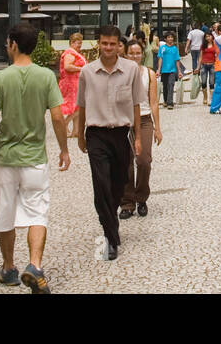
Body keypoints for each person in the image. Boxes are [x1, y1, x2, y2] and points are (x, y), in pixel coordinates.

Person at [0, 22, 69, 293]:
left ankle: (8, 267)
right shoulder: (46, 77)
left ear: (14, 45)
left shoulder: (1, 78)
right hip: (35, 157)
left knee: (5, 211)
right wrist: (64, 149)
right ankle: (35, 265)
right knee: (37, 210)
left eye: (7, 42)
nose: (6, 46)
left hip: (6, 158)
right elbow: (57, 117)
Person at [75, 25, 142, 261]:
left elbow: (135, 104)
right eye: (104, 43)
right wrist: (79, 134)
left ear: (119, 45)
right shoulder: (87, 72)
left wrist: (139, 138)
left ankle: (110, 218)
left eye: (113, 44)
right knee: (101, 185)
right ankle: (110, 237)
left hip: (121, 134)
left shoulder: (131, 70)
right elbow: (81, 105)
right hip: (96, 134)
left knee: (118, 183)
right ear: (98, 44)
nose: (108, 48)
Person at [119, 37, 163, 219]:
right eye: (131, 53)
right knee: (125, 164)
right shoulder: (119, 73)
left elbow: (153, 102)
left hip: (144, 120)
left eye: (138, 53)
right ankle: (127, 202)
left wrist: (157, 128)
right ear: (125, 54)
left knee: (143, 161)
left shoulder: (148, 74)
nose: (134, 56)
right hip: (123, 121)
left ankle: (141, 196)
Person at [58, 33, 87, 138]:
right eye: (78, 43)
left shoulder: (73, 52)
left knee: (77, 106)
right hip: (71, 83)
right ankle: (65, 123)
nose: (80, 45)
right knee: (78, 106)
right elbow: (67, 66)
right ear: (72, 43)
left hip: (75, 82)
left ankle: (75, 131)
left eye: (81, 42)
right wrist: (81, 69)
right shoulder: (69, 53)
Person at [156, 32, 181, 109]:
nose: (170, 39)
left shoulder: (175, 49)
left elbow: (177, 60)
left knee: (171, 85)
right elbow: (160, 59)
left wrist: (179, 71)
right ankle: (166, 101)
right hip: (164, 70)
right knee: (165, 87)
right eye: (168, 37)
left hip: (172, 70)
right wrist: (158, 70)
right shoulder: (162, 48)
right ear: (165, 39)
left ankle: (170, 102)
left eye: (171, 37)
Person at [198, 33, 217, 106]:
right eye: (206, 37)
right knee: (203, 82)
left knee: (212, 82)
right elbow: (200, 56)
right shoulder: (203, 46)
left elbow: (217, 55)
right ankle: (205, 97)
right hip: (204, 65)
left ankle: (211, 99)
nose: (208, 38)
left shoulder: (215, 45)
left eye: (209, 36)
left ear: (212, 37)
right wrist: (198, 67)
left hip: (212, 65)